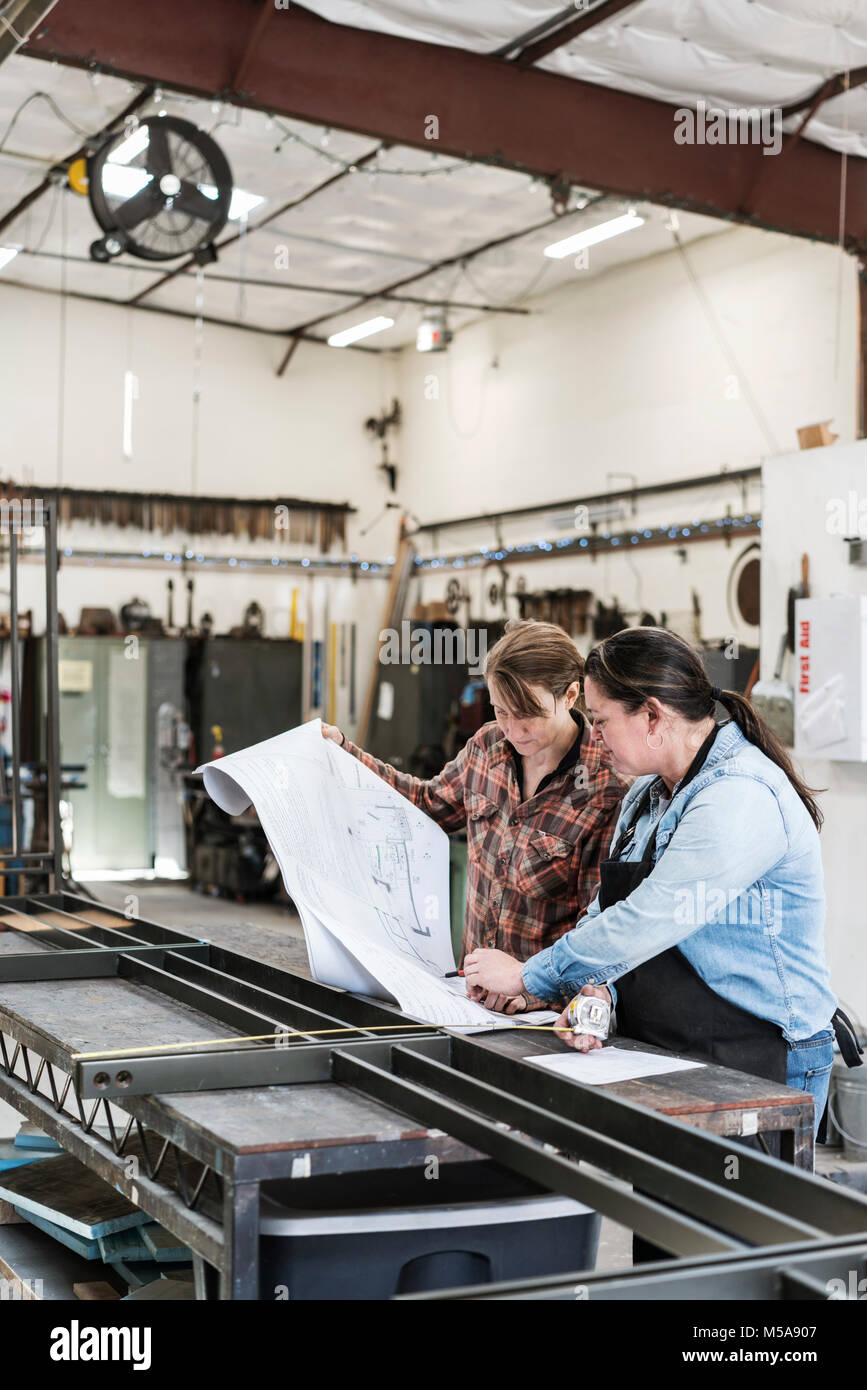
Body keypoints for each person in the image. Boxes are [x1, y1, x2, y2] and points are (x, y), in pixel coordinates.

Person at [464, 626, 862, 1135]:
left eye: (603, 720)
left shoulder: (738, 795)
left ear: (652, 715)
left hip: (759, 1053)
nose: (595, 734)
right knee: (661, 1208)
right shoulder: (647, 795)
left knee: (734, 1214)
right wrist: (597, 991)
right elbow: (606, 912)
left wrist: (528, 976)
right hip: (671, 1046)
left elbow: (652, 916)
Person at [322, 619, 626, 1011]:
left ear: (570, 696)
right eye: (501, 711)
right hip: (468, 998)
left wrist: (537, 990)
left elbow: (597, 929)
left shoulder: (604, 790)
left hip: (539, 1015)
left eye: (527, 714)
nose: (513, 729)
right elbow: (427, 805)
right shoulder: (487, 747)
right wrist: (346, 755)